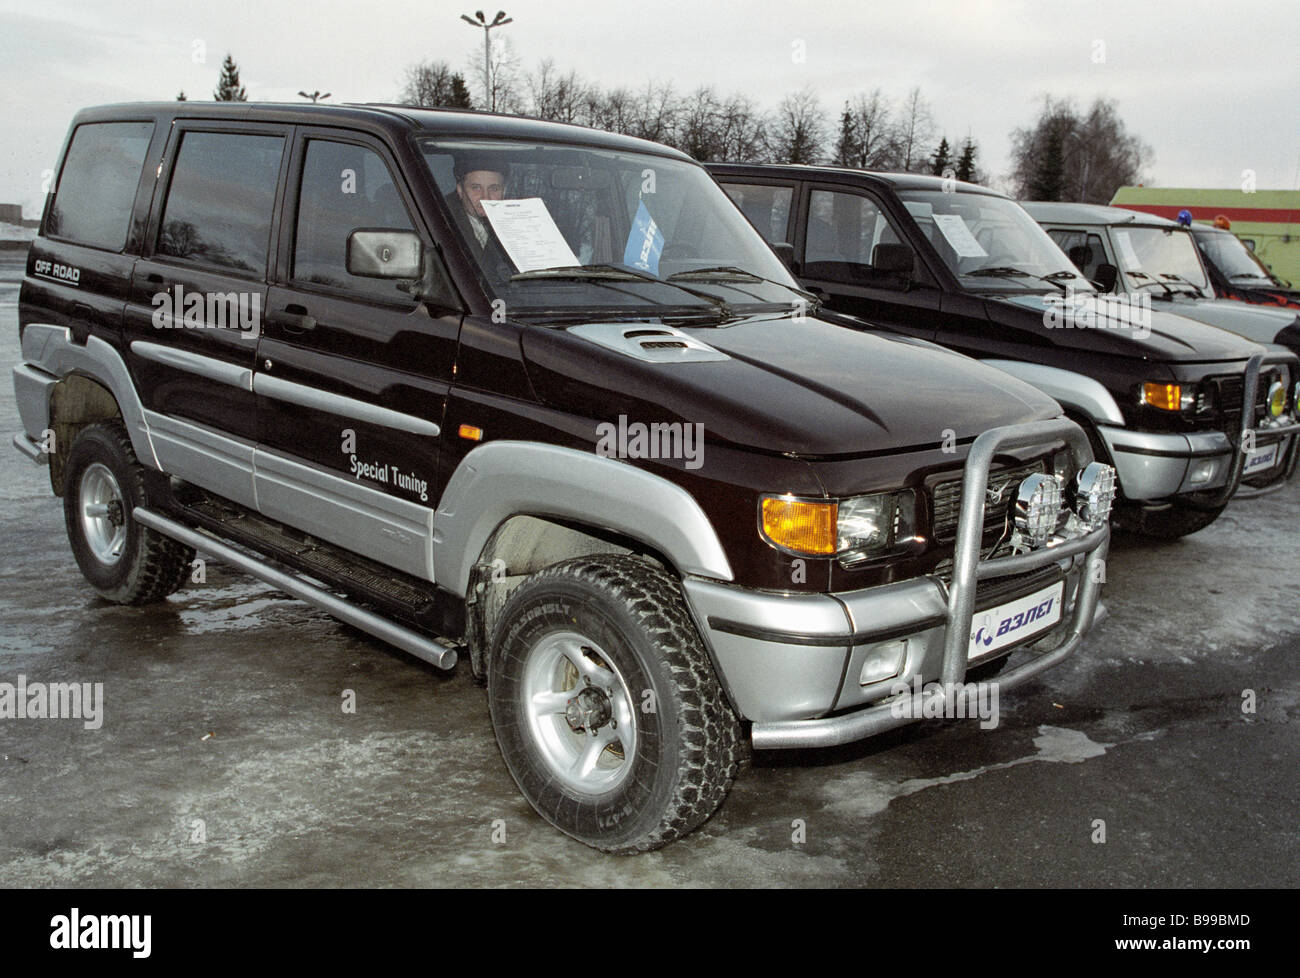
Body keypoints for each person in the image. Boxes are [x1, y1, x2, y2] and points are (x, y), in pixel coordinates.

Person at [443, 155, 511, 269]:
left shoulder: (514, 221)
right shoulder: (442, 220)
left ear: (504, 191)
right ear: (460, 190)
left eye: (494, 188)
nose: (485, 197)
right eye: (476, 188)